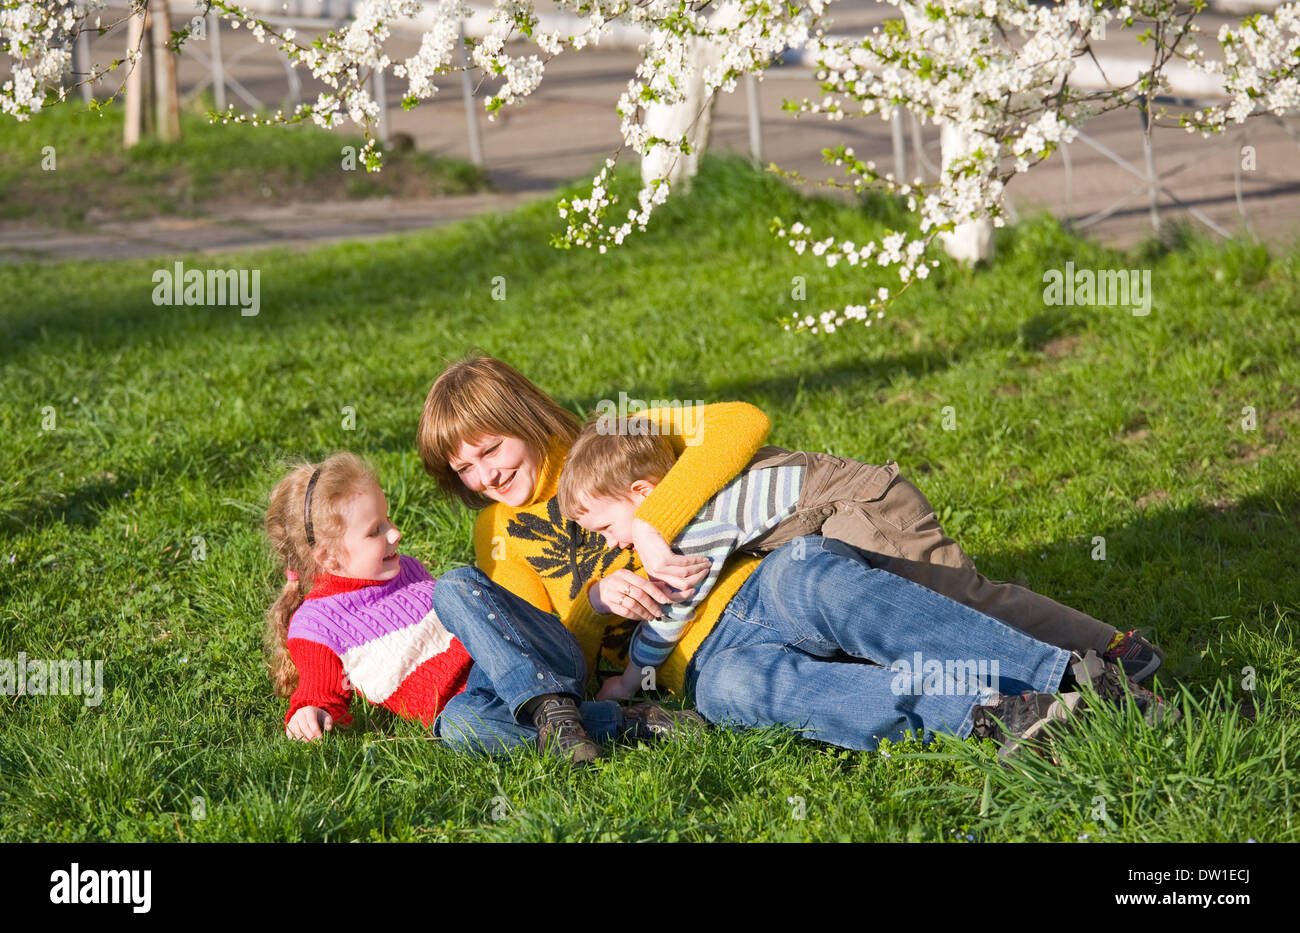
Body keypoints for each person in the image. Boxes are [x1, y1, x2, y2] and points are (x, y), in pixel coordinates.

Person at [416, 355, 1169, 757]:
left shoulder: (610, 430)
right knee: (743, 693)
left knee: (822, 580)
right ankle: (1000, 716)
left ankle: (1072, 671)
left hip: (757, 584)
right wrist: (602, 602)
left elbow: (739, 421)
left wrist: (655, 524)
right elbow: (557, 653)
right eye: (464, 472)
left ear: (523, 415)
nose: (483, 477)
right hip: (694, 665)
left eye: (489, 451)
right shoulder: (497, 536)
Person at [554, 415, 1164, 702]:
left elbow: (675, 602)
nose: (609, 543)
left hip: (864, 509)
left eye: (606, 526)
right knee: (936, 608)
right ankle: (1059, 673)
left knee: (960, 597)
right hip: (843, 513)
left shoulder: (696, 521)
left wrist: (632, 676)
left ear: (643, 495)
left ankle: (1110, 650)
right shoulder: (683, 505)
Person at [262, 451, 698, 763]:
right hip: (479, 700)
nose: (395, 534)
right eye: (376, 530)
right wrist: (310, 711)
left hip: (537, 655)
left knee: (453, 586)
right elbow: (318, 690)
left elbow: (481, 610)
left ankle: (549, 704)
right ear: (329, 558)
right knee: (458, 727)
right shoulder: (317, 623)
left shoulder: (408, 569)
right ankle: (619, 722)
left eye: (389, 519)